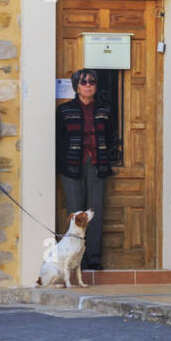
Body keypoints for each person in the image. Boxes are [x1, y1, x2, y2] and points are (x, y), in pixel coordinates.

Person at [55, 69, 115, 272]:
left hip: (97, 164)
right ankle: (73, 260)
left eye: (92, 82)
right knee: (75, 213)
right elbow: (59, 140)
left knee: (94, 212)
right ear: (76, 87)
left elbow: (110, 136)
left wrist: (109, 158)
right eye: (83, 82)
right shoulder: (64, 110)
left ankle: (94, 258)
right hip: (72, 166)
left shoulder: (105, 110)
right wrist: (61, 165)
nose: (88, 85)